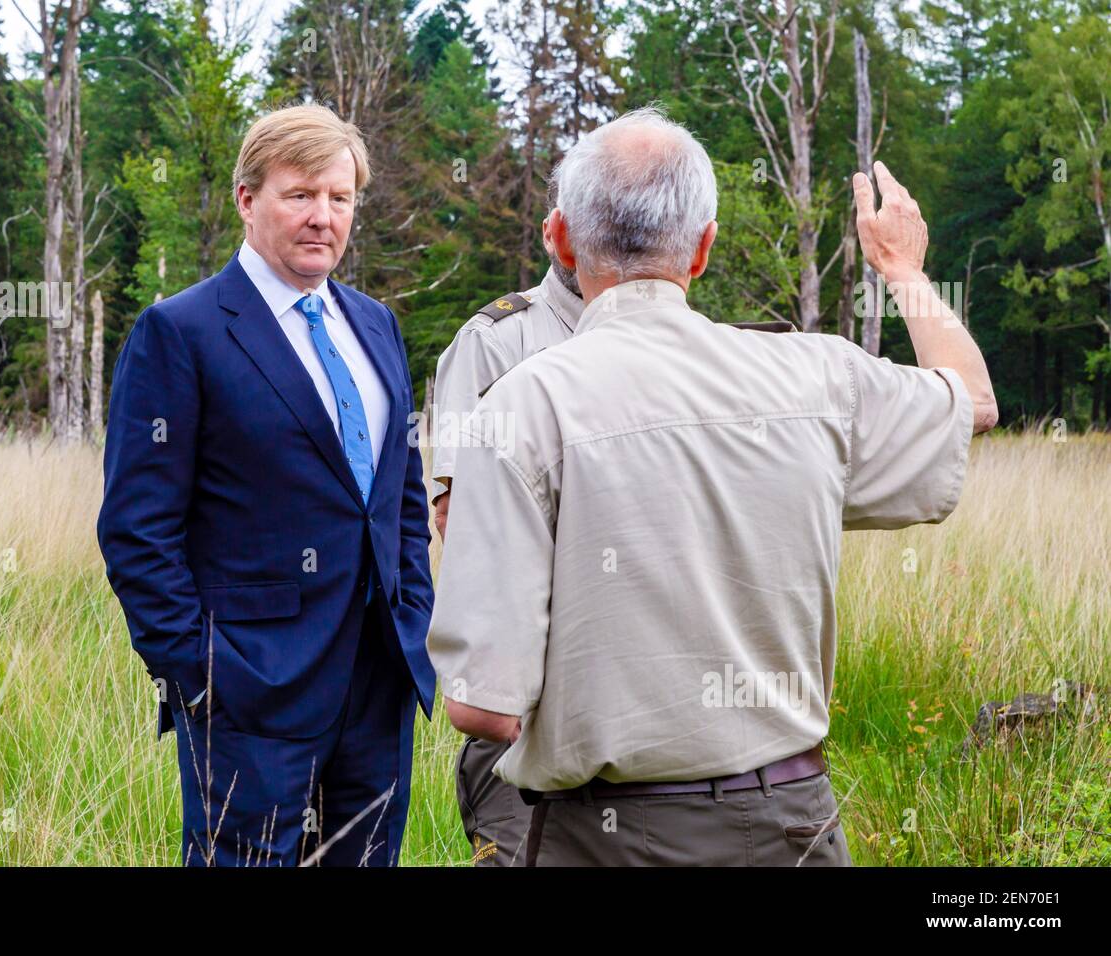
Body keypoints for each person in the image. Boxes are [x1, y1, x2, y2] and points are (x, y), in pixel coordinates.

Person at [427, 106, 997, 866]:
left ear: (561, 237)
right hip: (791, 826)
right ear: (703, 248)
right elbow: (973, 402)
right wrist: (904, 272)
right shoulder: (816, 375)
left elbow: (481, 708)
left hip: (600, 837)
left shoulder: (521, 408)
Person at [97, 104, 435, 867]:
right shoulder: (180, 332)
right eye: (301, 195)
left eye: (340, 198)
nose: (323, 217)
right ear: (248, 200)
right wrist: (203, 677)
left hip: (378, 688)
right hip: (248, 699)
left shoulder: (376, 325)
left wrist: (412, 610)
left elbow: (399, 499)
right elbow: (136, 531)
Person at [430, 185, 585, 866]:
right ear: (559, 233)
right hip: (526, 695)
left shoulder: (677, 343)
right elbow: (456, 512)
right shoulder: (499, 338)